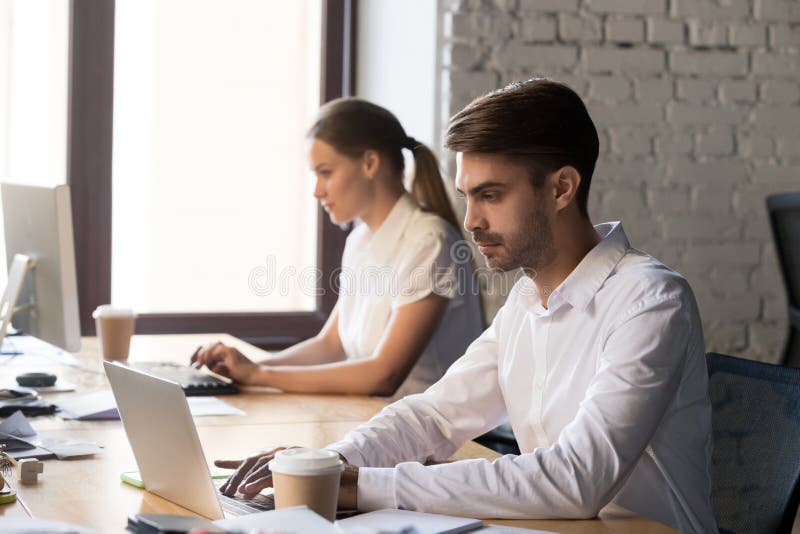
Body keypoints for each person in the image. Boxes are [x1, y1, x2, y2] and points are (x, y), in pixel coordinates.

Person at [213, 79, 717, 533]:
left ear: (562, 187)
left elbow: (574, 481)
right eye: (467, 196)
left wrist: (364, 484)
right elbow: (433, 416)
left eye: (491, 195)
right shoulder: (526, 301)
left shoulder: (651, 302)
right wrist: (328, 462)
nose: (470, 221)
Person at [191, 98, 484, 400]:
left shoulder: (428, 241)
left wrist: (260, 375)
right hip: (380, 425)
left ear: (370, 163)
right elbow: (332, 345)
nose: (317, 190)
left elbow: (384, 375)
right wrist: (245, 369)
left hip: (440, 440)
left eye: (325, 172)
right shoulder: (360, 241)